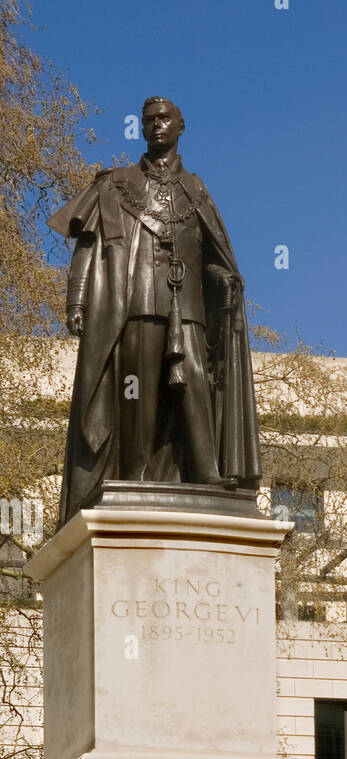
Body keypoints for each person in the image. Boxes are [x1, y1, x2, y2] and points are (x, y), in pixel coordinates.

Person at [48, 95, 261, 523]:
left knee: (196, 383)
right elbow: (87, 249)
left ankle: (208, 472)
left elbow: (215, 258)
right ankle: (135, 473)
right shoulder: (115, 184)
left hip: (191, 309)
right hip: (137, 304)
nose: (156, 126)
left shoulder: (197, 190)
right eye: (149, 121)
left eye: (165, 119)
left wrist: (226, 282)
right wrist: (77, 299)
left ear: (182, 127)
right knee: (136, 389)